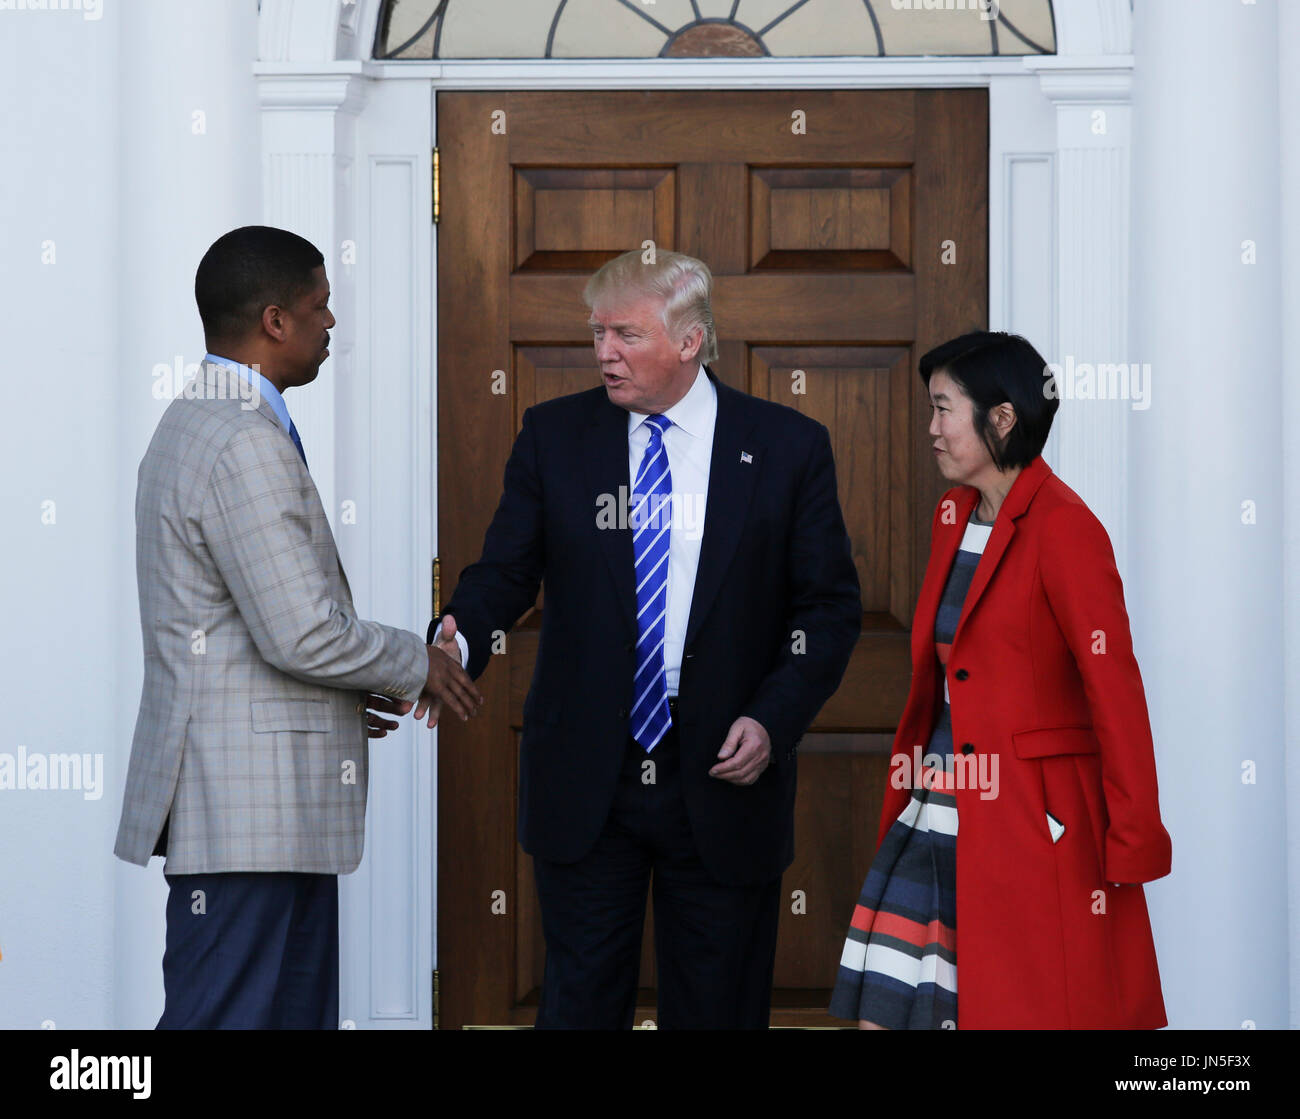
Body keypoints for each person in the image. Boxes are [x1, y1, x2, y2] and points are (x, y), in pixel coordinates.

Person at [421, 249, 860, 1028]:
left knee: (718, 1004)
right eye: (597, 333)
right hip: (591, 773)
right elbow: (505, 571)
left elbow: (826, 609)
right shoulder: (555, 435)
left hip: (727, 769)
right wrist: (460, 639)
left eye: (625, 334)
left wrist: (773, 717)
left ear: (690, 341)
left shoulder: (788, 446)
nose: (603, 353)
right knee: (581, 1001)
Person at [114, 225, 481, 1029]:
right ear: (274, 321)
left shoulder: (205, 420)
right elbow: (301, 632)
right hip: (247, 815)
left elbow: (256, 630)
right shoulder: (242, 438)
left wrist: (352, 694)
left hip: (254, 811)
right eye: (320, 306)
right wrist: (412, 662)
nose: (332, 323)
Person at [829, 330, 1172, 1030]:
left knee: (1008, 1005)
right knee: (888, 1008)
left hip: (1027, 818)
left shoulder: (1067, 528)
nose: (932, 429)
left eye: (944, 409)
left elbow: (1117, 691)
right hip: (939, 796)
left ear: (1003, 417)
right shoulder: (952, 515)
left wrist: (1132, 834)